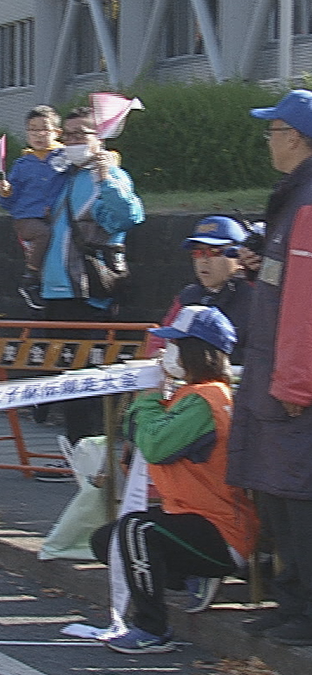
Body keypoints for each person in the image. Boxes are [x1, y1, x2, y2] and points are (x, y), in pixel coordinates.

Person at [91, 305, 258, 654]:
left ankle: (152, 629)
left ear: (198, 352)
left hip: (222, 529)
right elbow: (142, 437)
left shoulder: (206, 400)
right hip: (193, 517)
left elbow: (155, 444)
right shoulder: (192, 395)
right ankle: (191, 577)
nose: (165, 353)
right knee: (106, 541)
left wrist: (149, 397)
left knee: (136, 531)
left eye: (175, 345)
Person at [227, 89, 312, 646]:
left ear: (301, 138)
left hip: (291, 379)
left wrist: (295, 382)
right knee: (277, 491)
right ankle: (292, 599)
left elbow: (306, 304)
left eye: (275, 130)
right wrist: (260, 267)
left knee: (297, 494)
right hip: (276, 370)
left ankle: (305, 611)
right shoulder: (292, 198)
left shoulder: (305, 202)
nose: (269, 140)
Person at [40, 106, 145, 442]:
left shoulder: (110, 175)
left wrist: (106, 176)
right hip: (55, 293)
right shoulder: (65, 177)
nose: (71, 141)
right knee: (63, 378)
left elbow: (127, 217)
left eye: (80, 134)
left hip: (88, 294)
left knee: (87, 381)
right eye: (66, 135)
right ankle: (75, 453)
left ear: (98, 138)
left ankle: (91, 460)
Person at [149, 215, 255, 364]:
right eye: (197, 253)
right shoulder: (189, 295)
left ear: (239, 256)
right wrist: (159, 355)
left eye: (215, 252)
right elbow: (161, 340)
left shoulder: (258, 295)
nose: (204, 260)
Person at [0, 105, 68, 310]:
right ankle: (30, 277)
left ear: (57, 132)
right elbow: (8, 203)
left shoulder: (64, 157)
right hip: (26, 218)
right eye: (32, 130)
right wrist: (6, 192)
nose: (38, 135)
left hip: (56, 216)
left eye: (44, 129)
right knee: (43, 235)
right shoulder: (22, 163)